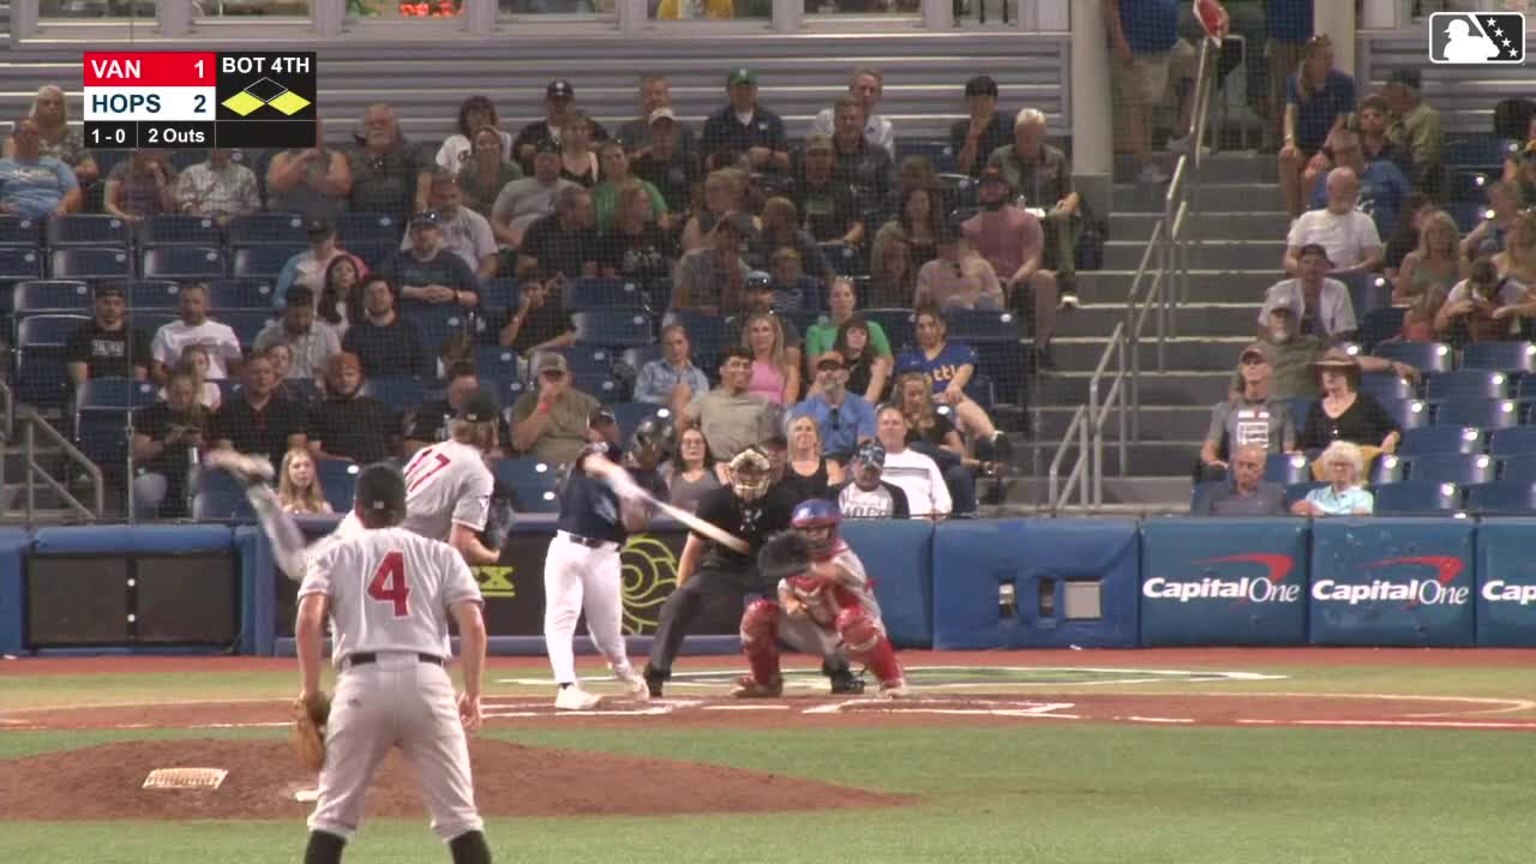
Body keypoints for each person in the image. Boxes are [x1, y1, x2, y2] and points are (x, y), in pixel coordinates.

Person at [279, 460, 491, 864]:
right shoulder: (440, 553)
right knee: (461, 820)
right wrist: (474, 693)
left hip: (360, 685)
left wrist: (310, 692)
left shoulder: (336, 553)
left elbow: (308, 622)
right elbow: (474, 626)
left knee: (331, 819)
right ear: (404, 508)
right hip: (428, 683)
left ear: (357, 510)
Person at [645, 447, 866, 698]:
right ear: (731, 473)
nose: (749, 479)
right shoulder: (715, 501)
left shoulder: (784, 501)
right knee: (678, 602)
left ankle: (839, 670)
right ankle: (656, 673)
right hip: (723, 566)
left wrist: (801, 586)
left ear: (768, 474)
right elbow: (691, 550)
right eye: (744, 473)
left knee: (817, 600)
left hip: (772, 568)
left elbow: (801, 549)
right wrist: (682, 592)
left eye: (755, 473)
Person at [542, 414, 670, 710]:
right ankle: (566, 686)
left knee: (607, 632)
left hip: (605, 554)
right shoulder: (607, 453)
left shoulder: (656, 486)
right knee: (561, 617)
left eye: (658, 449)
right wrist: (619, 477)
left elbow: (635, 524)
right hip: (566, 543)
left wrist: (631, 500)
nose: (650, 451)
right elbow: (590, 463)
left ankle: (623, 670)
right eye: (649, 444)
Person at [733, 499, 909, 699]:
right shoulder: (795, 558)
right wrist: (790, 603)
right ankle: (766, 682)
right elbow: (784, 587)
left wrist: (799, 564)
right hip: (815, 630)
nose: (812, 535)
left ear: (832, 529)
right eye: (806, 530)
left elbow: (833, 573)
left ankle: (891, 678)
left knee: (851, 620)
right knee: (757, 613)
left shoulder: (844, 556)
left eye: (819, 529)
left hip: (854, 635)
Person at [1199, 343, 1296, 482]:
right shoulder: (1225, 409)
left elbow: (1288, 450)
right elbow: (1209, 448)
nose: (1252, 366)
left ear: (1269, 369)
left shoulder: (1282, 410)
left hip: (1270, 473)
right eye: (1247, 363)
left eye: (1257, 362)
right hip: (1235, 472)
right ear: (1242, 370)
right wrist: (1215, 463)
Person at [1295, 349, 1401, 476]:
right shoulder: (1316, 407)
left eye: (1335, 371)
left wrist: (1392, 437)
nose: (1330, 376)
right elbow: (1307, 445)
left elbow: (1395, 430)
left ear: (1347, 374)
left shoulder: (1366, 402)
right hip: (1327, 470)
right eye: (1326, 371)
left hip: (1362, 467)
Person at [1258, 244, 1357, 343]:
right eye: (1306, 262)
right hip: (1286, 346)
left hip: (1326, 347)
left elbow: (1346, 329)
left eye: (1317, 263)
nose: (1312, 268)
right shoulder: (1281, 289)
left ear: (1326, 268)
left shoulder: (1338, 289)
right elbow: (1264, 327)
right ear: (1298, 266)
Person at [1191, 444, 1287, 516]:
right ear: (1233, 466)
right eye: (1240, 465)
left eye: (1251, 466)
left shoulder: (1274, 492)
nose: (1244, 471)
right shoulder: (1213, 492)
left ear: (1262, 469)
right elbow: (1197, 527)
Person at [829, 441, 910, 520]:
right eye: (866, 470)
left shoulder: (897, 495)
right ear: (854, 463)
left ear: (882, 468)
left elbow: (902, 529)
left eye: (873, 471)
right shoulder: (835, 492)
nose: (869, 476)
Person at [1292, 440, 1374, 516]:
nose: (1338, 468)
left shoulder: (1363, 497)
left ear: (1354, 468)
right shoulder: (1314, 495)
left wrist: (1322, 514)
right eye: (1334, 464)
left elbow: (1357, 522)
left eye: (1344, 464)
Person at [666, 427, 721, 514]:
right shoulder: (670, 475)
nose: (693, 446)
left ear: (705, 447)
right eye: (687, 442)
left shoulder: (718, 473)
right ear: (680, 448)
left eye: (698, 442)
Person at [277, 446, 332, 515]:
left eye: (307, 465)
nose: (303, 470)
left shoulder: (324, 508)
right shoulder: (275, 505)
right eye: (296, 466)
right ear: (287, 472)